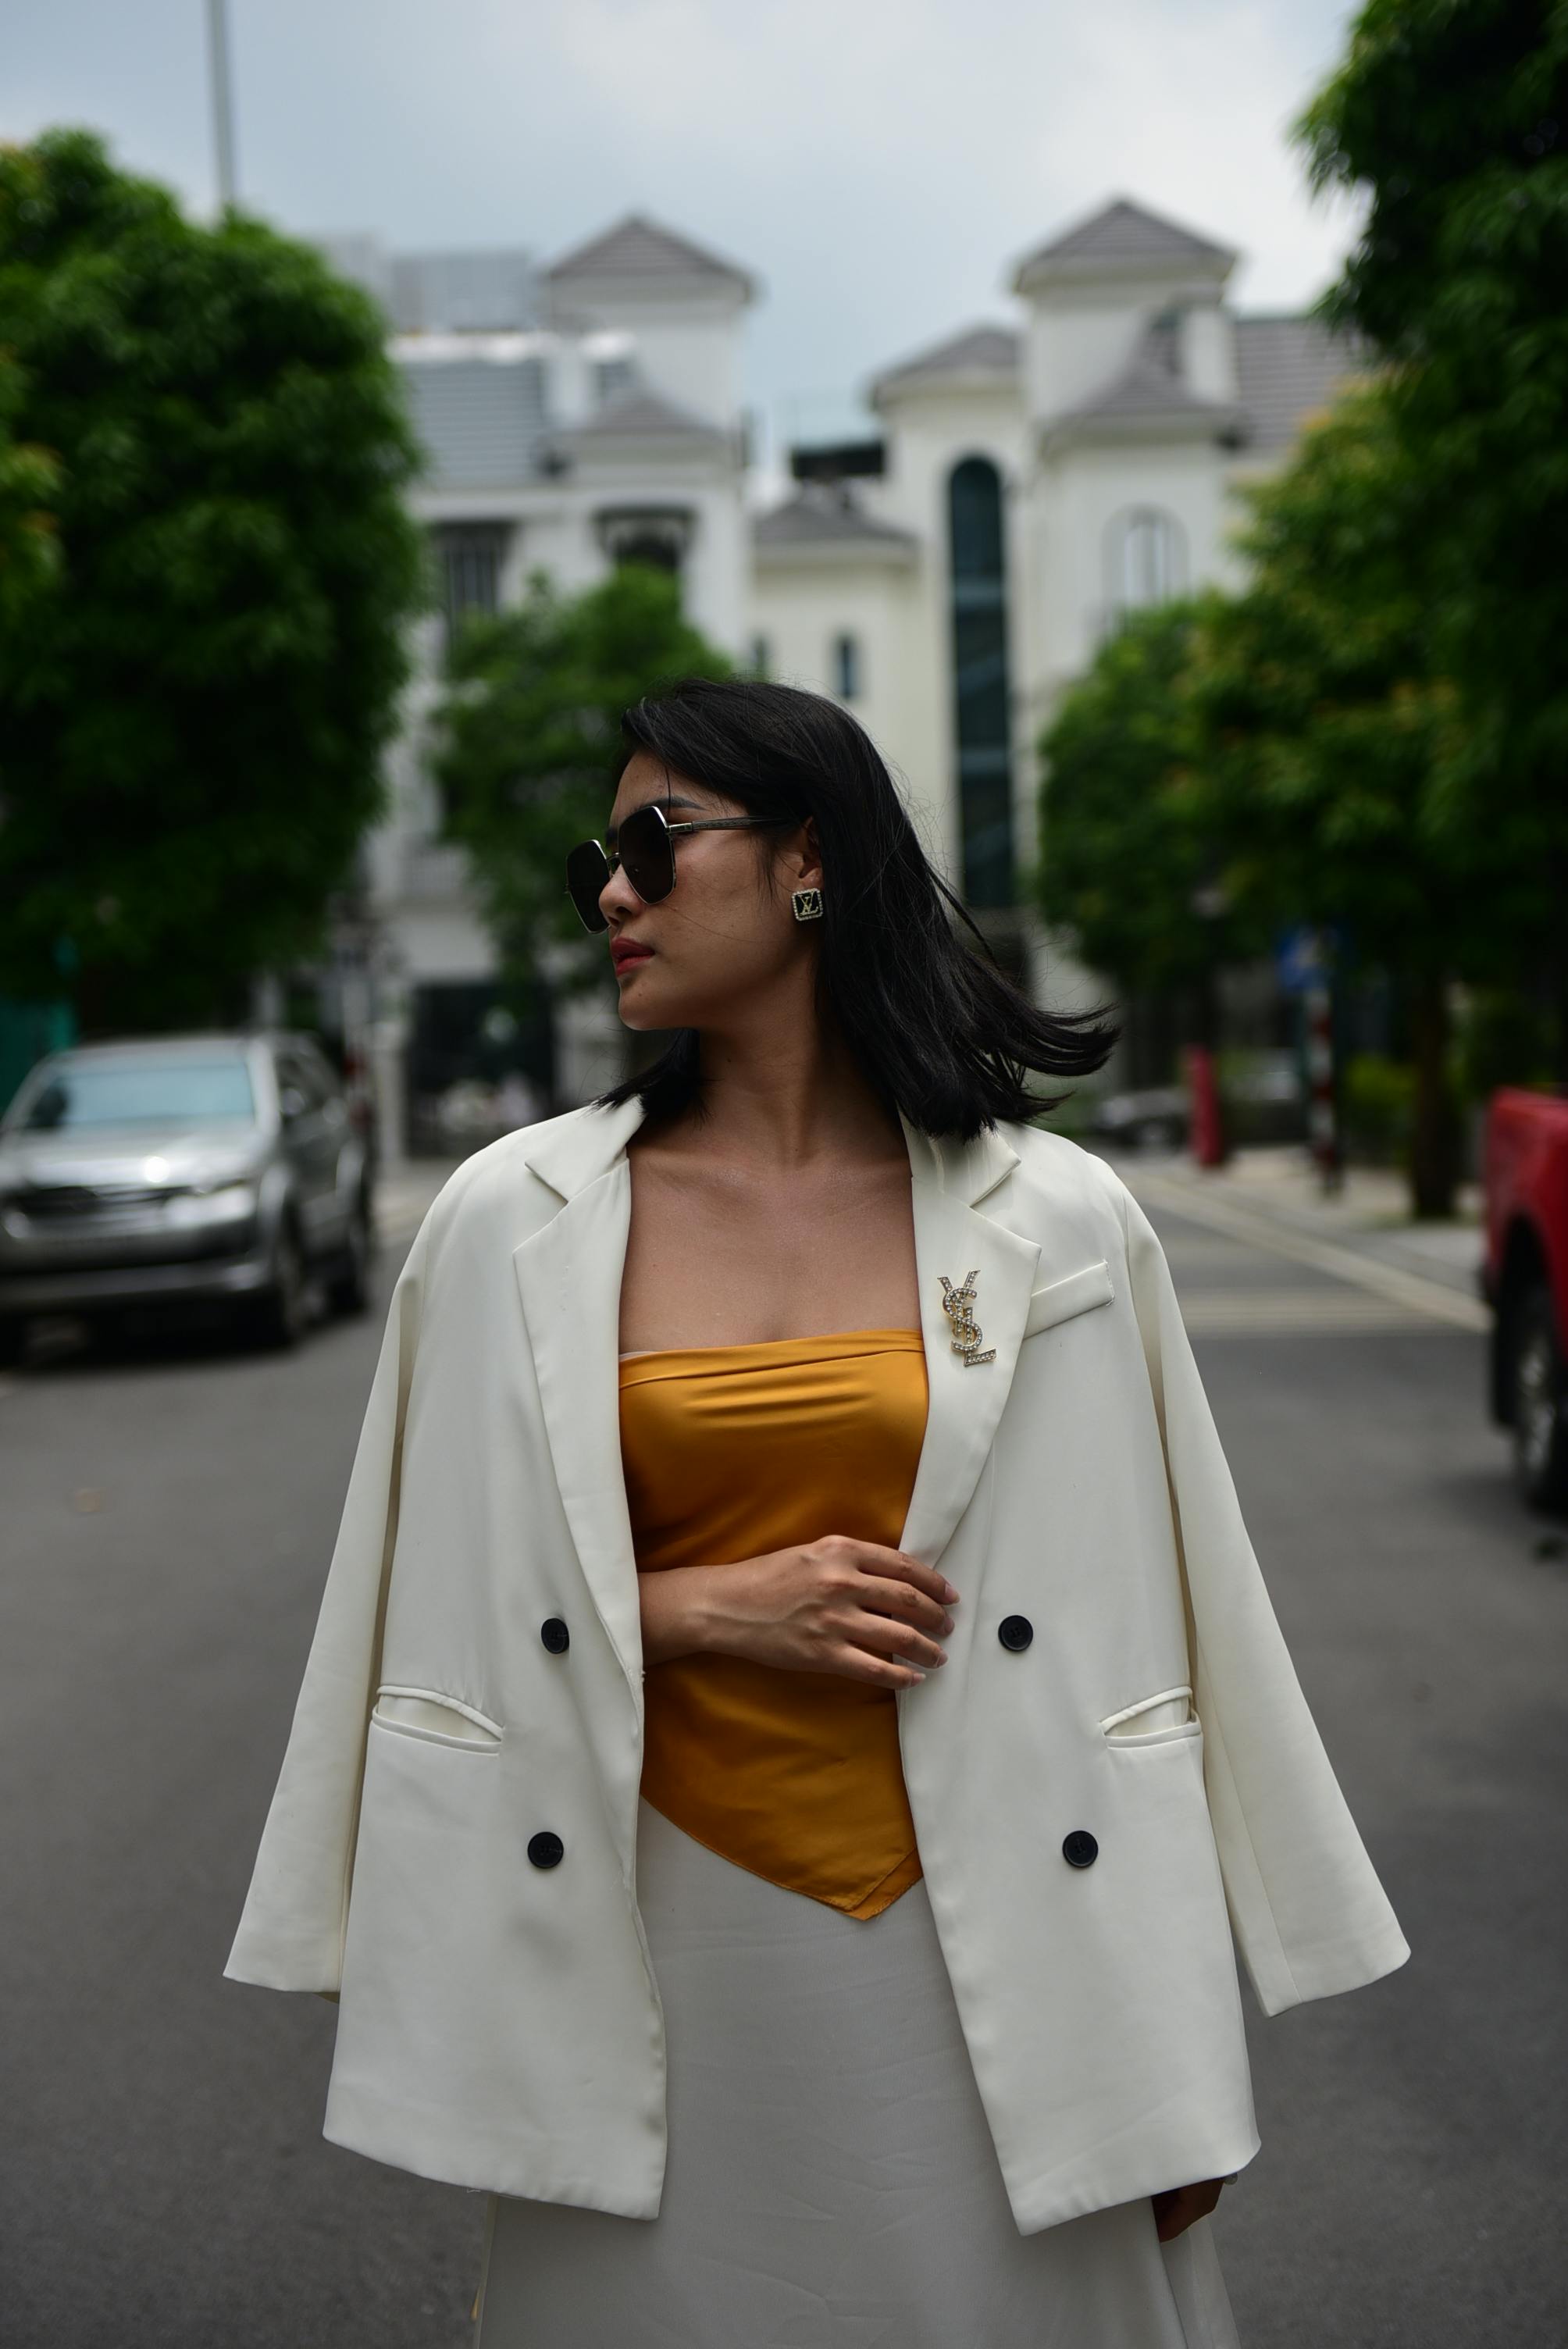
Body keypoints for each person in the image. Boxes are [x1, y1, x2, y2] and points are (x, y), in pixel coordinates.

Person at [226, 677, 1409, 2347]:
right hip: (649, 1945)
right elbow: (418, 1625)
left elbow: (1167, 1636)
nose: (614, 895)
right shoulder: (509, 1222)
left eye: (655, 842)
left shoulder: (1061, 1220)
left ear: (808, 863)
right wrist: (710, 1608)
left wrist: (1173, 2050)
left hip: (995, 1951)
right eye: (598, 867)